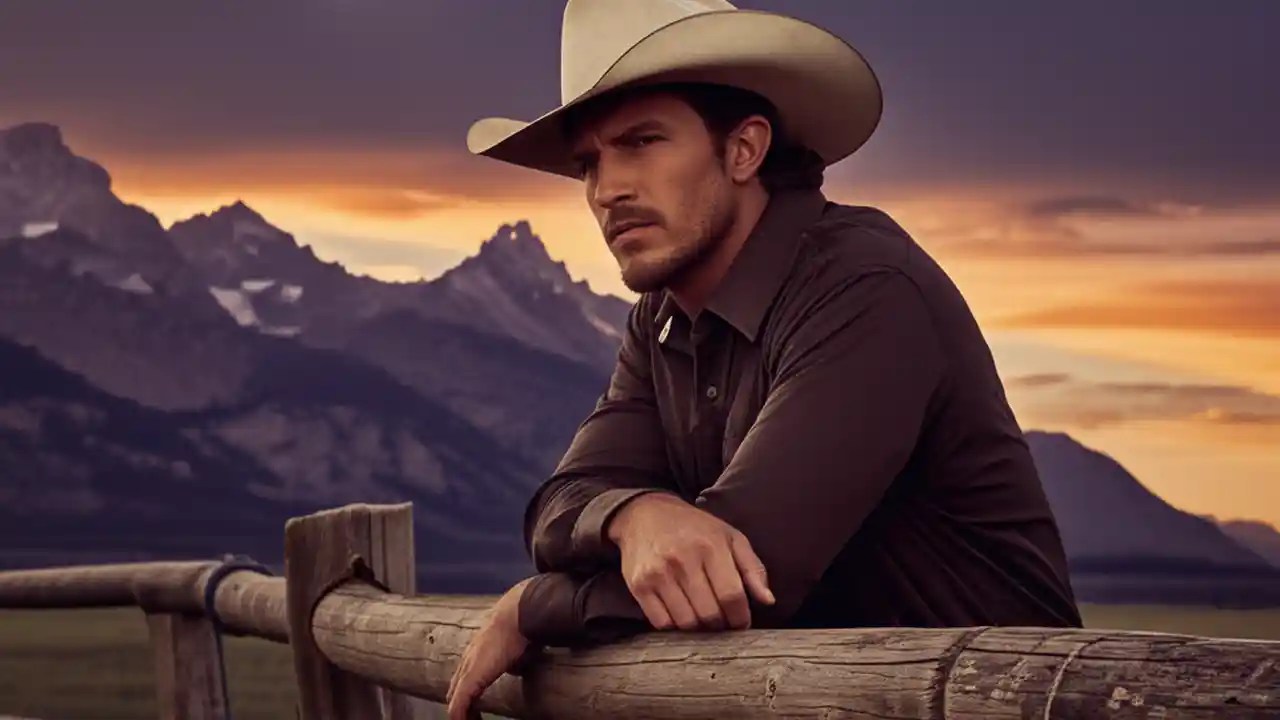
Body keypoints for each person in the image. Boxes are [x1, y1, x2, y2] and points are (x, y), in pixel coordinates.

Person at [447, 1, 1081, 716]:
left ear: (744, 150)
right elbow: (560, 507)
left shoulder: (866, 288)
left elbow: (748, 571)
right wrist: (634, 514)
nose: (606, 190)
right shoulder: (661, 321)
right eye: (589, 162)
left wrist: (534, 608)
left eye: (641, 142)